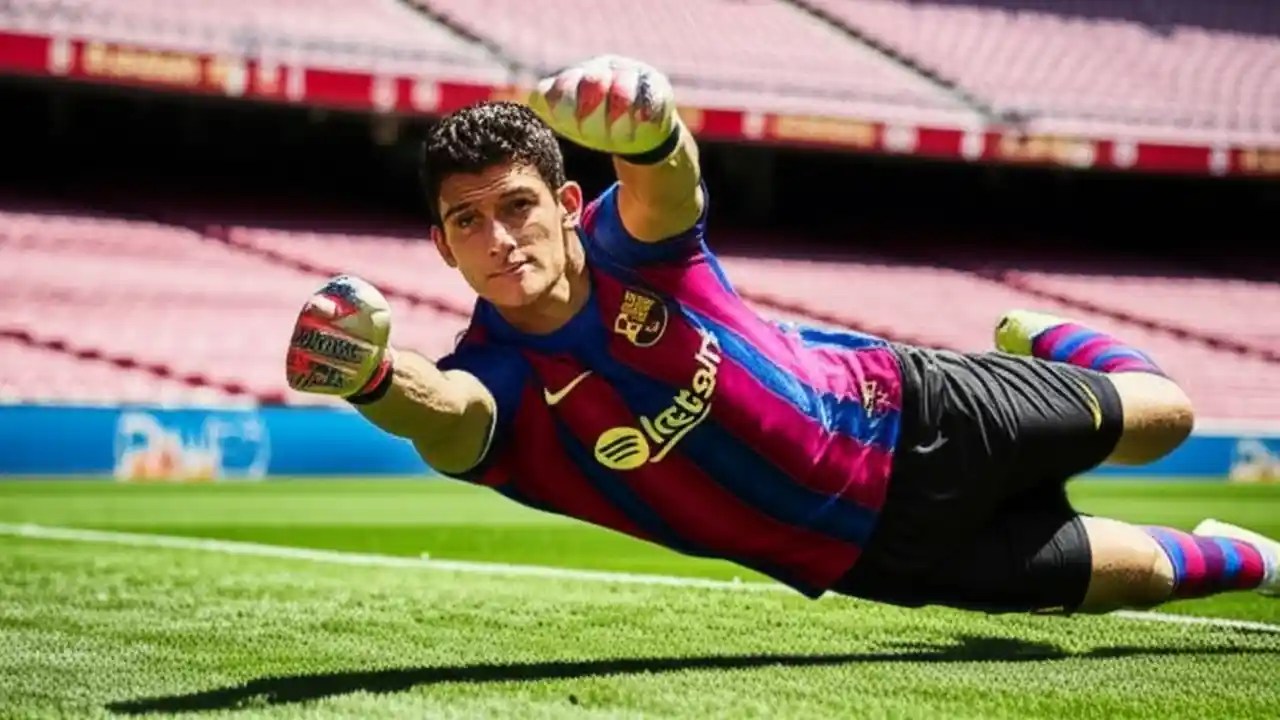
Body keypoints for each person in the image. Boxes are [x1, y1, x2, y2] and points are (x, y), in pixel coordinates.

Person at [285, 54, 1277, 615]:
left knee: (1166, 419)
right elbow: (448, 416)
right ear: (443, 248)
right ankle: (1263, 563)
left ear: (565, 200)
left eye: (515, 207)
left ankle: (1046, 336)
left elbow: (664, 186)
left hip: (916, 411)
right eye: (468, 223)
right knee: (1140, 575)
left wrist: (650, 126)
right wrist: (372, 375)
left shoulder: (632, 247)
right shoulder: (493, 375)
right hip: (868, 557)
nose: (499, 240)